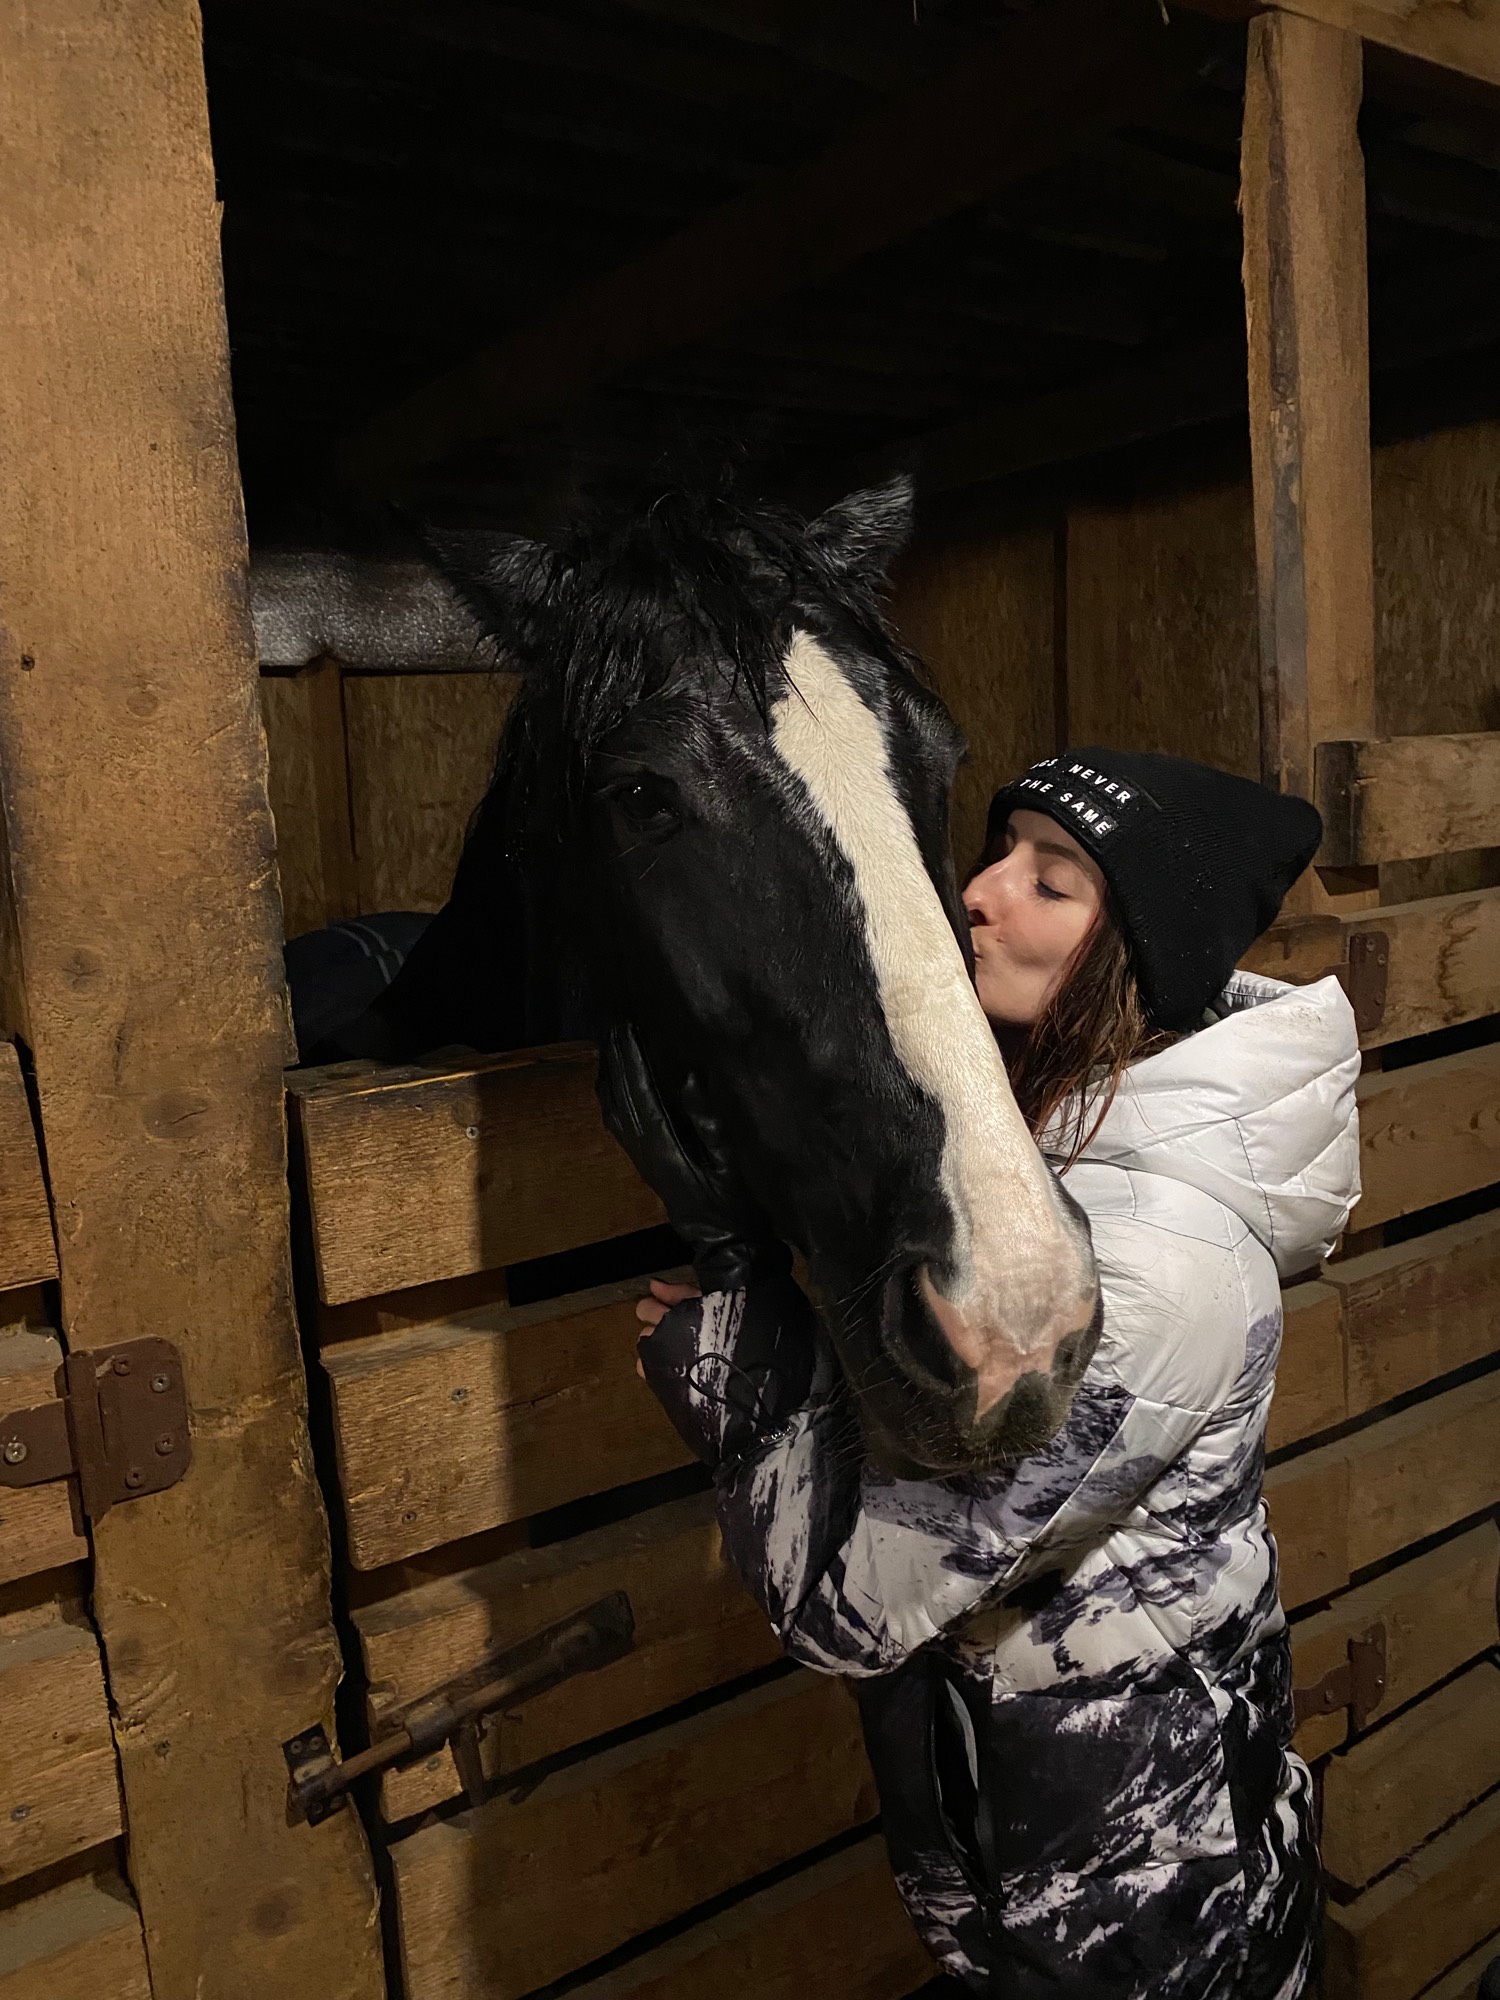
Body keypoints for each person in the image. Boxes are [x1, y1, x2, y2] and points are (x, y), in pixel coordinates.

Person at [599, 747, 1361, 2000]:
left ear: (1136, 960)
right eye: (1001, 850)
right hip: (1053, 1866)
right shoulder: (1049, 1167)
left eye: (1050, 883)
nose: (979, 888)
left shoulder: (1151, 1275)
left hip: (1141, 1918)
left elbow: (845, 1602)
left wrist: (740, 1339)